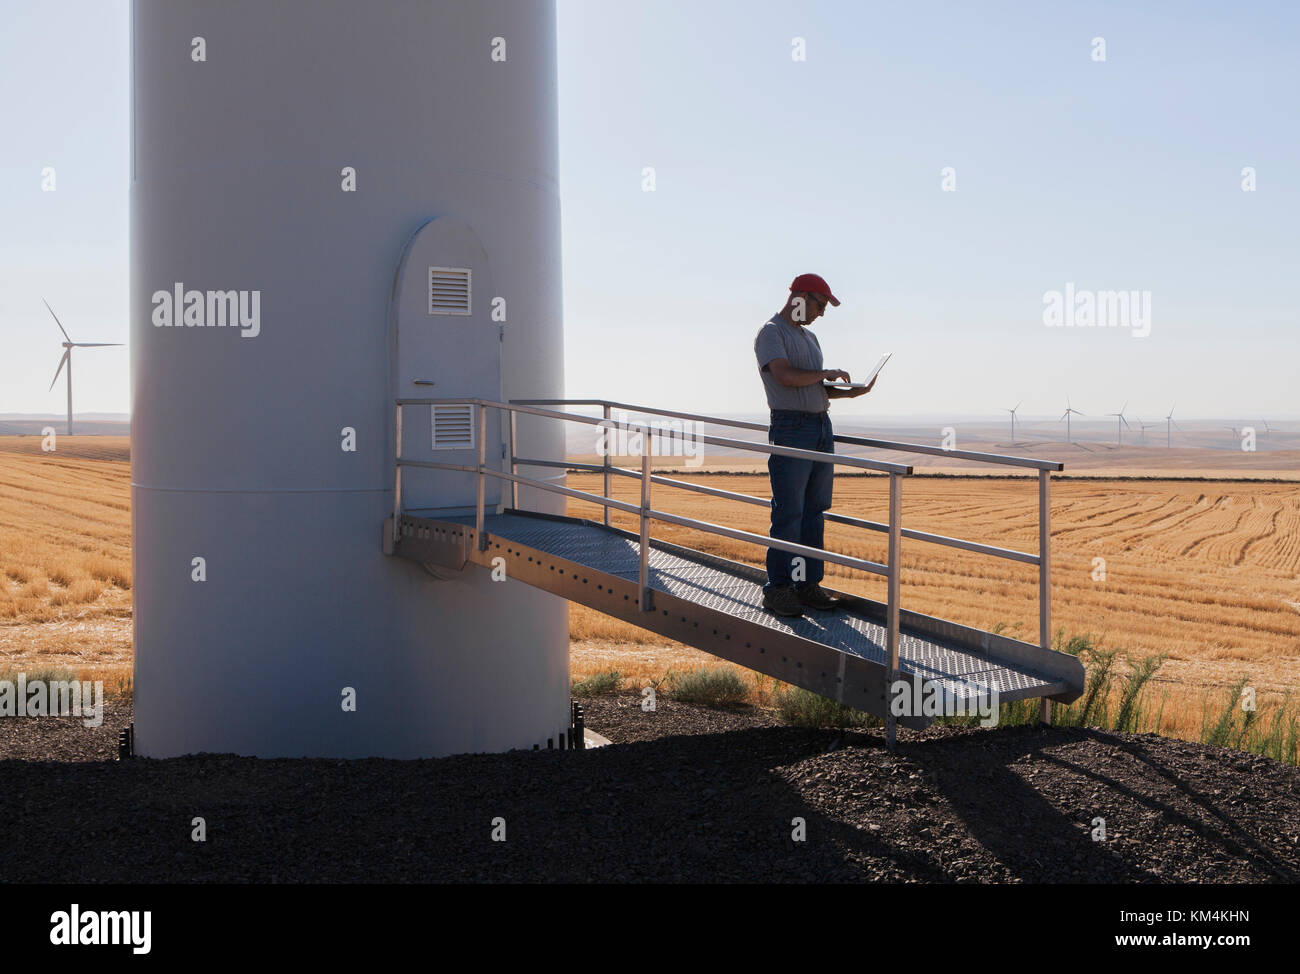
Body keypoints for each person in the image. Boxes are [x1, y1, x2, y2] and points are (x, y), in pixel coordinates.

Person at [753, 273, 873, 617]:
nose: (821, 312)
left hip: (821, 425)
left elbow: (813, 388)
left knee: (814, 511)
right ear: (800, 298)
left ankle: (806, 585)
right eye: (820, 304)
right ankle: (779, 590)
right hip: (791, 428)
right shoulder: (771, 333)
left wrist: (851, 391)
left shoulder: (811, 337)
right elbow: (786, 377)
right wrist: (825, 374)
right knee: (789, 511)